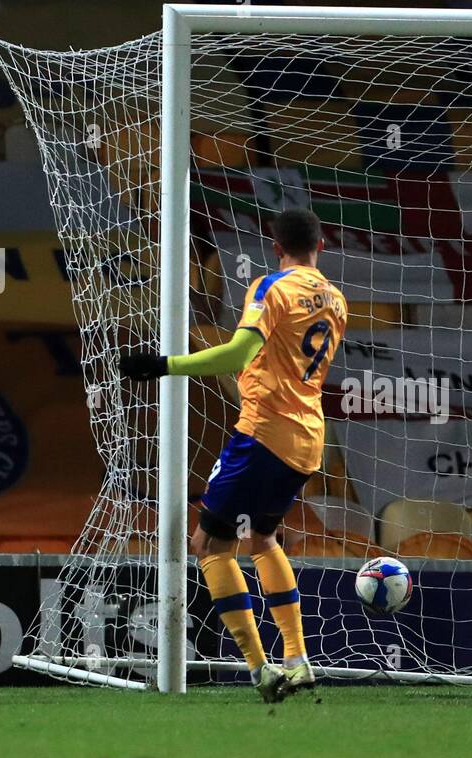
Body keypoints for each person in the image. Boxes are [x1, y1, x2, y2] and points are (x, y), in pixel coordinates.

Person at [119, 208, 346, 702]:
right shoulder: (336, 299)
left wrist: (164, 365)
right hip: (309, 441)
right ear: (321, 245)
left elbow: (239, 354)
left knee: (209, 545)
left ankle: (260, 669)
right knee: (263, 538)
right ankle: (298, 658)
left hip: (264, 434)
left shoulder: (271, 288)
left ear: (274, 245)